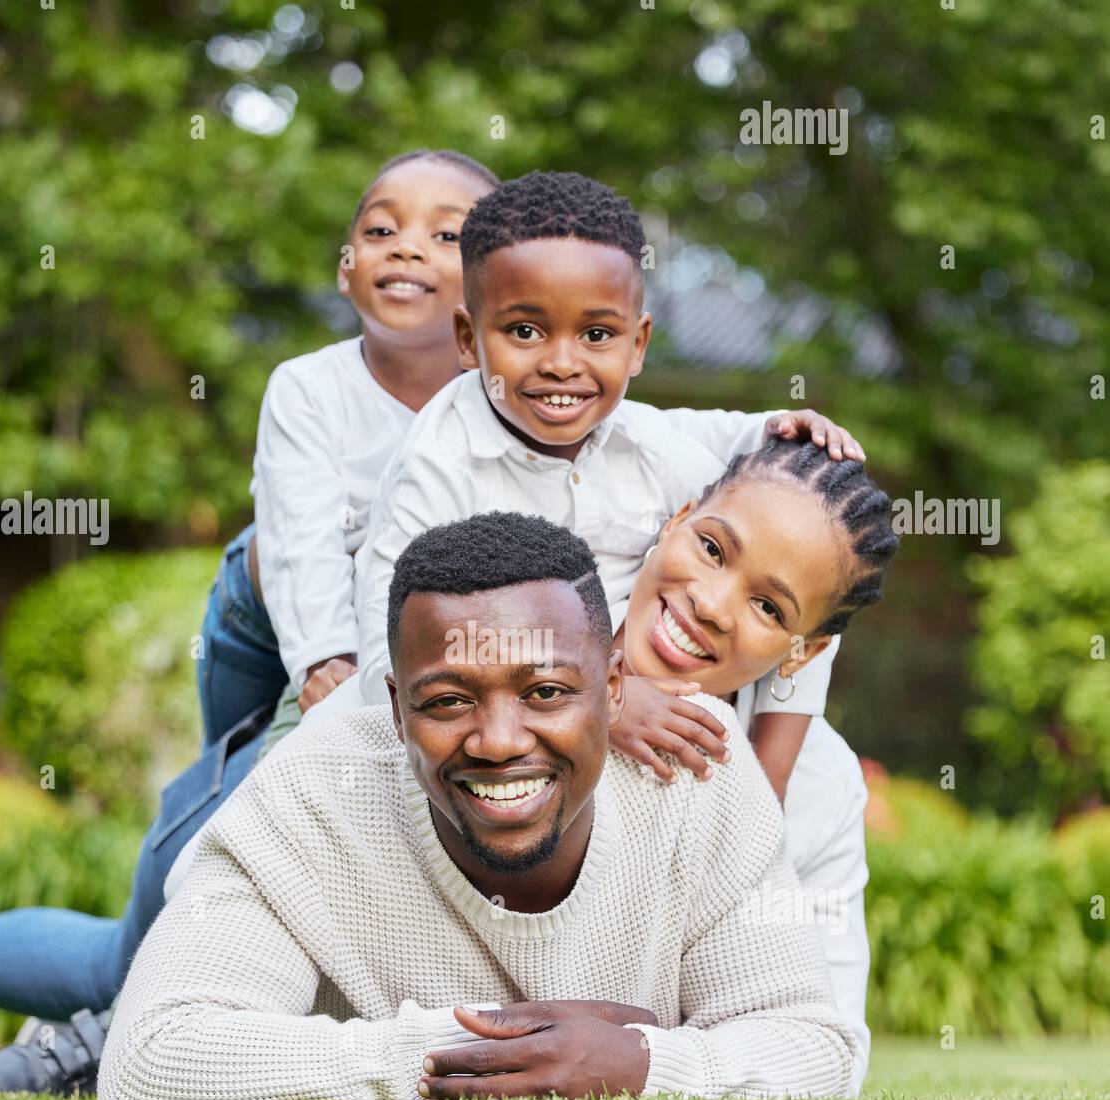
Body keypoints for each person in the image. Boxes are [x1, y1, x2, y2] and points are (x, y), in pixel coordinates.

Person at [0, 147, 501, 1097]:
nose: (406, 246)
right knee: (207, 859)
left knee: (134, 957)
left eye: (446, 232)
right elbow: (299, 549)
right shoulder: (310, 386)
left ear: (499, 277)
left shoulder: (510, 401)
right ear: (345, 270)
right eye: (379, 229)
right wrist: (325, 664)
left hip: (385, 674)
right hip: (274, 634)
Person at [98, 512, 859, 1100]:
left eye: (546, 693)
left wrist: (634, 1064)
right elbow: (151, 1060)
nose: (498, 742)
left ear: (614, 687)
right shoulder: (311, 792)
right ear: (396, 709)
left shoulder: (700, 768)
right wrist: (480, 1056)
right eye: (448, 701)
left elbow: (813, 1049)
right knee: (101, 968)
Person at [349, 170, 865, 807]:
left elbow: (816, 581)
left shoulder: (653, 448)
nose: (562, 363)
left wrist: (770, 779)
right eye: (524, 331)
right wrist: (601, 700)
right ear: (467, 339)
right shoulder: (436, 468)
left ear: (638, 344)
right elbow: (388, 664)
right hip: (495, 748)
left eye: (596, 335)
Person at [618, 436, 899, 1091]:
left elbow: (830, 1051)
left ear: (804, 654)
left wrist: (639, 1061)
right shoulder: (516, 663)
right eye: (712, 549)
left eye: (769, 608)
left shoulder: (819, 785)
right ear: (676, 519)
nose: (711, 605)